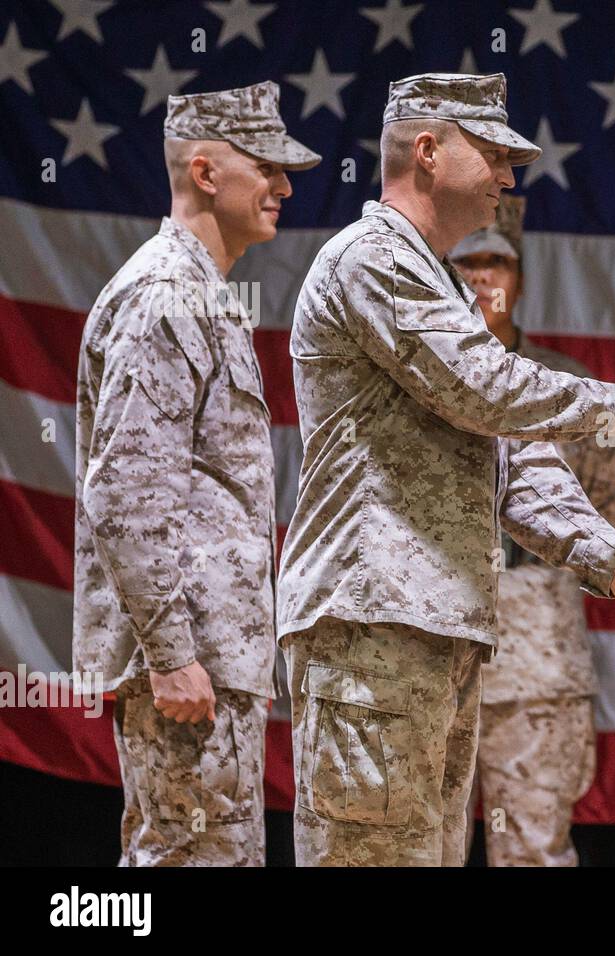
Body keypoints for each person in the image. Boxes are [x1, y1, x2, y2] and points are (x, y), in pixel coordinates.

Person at [277, 72, 615, 866]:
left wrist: (609, 558)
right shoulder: (372, 260)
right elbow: (490, 389)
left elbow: (517, 456)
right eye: (492, 153)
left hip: (439, 630)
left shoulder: (444, 289)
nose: (507, 175)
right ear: (427, 151)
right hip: (373, 631)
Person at [74, 81, 320, 866]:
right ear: (208, 172)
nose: (284, 185)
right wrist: (172, 653)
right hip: (187, 667)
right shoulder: (166, 297)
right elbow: (126, 495)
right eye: (268, 166)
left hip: (213, 659)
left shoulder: (203, 293)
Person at [450, 195, 615, 866]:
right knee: (411, 847)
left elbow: (612, 518)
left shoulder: (568, 388)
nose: (481, 279)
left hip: (537, 659)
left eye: (496, 262)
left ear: (520, 276)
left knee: (534, 851)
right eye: (464, 264)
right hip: (429, 652)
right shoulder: (408, 383)